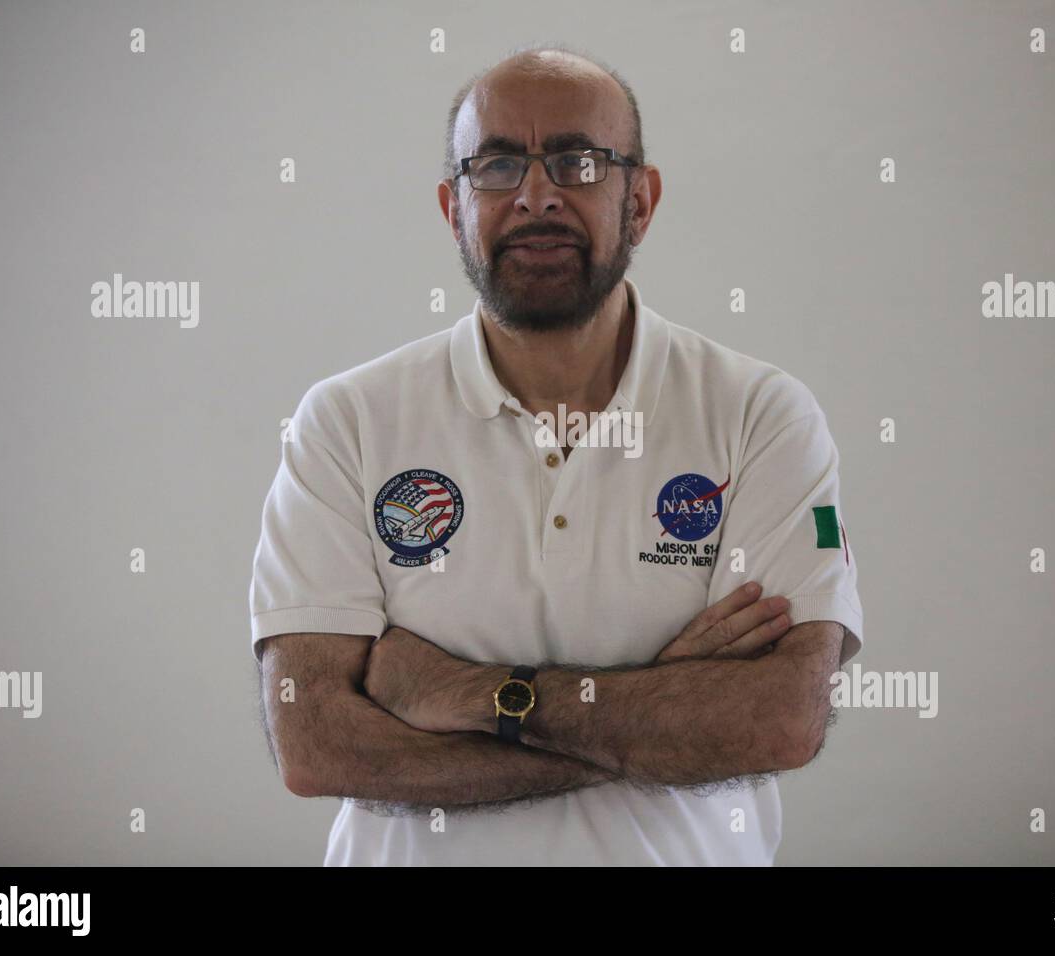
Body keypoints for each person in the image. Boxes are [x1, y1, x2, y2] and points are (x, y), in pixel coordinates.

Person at [249, 44, 864, 865]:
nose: (536, 196)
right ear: (454, 207)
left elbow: (781, 718)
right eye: (497, 166)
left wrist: (468, 695)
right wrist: (655, 706)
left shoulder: (758, 414)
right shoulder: (347, 421)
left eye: (578, 162)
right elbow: (318, 744)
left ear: (639, 201)